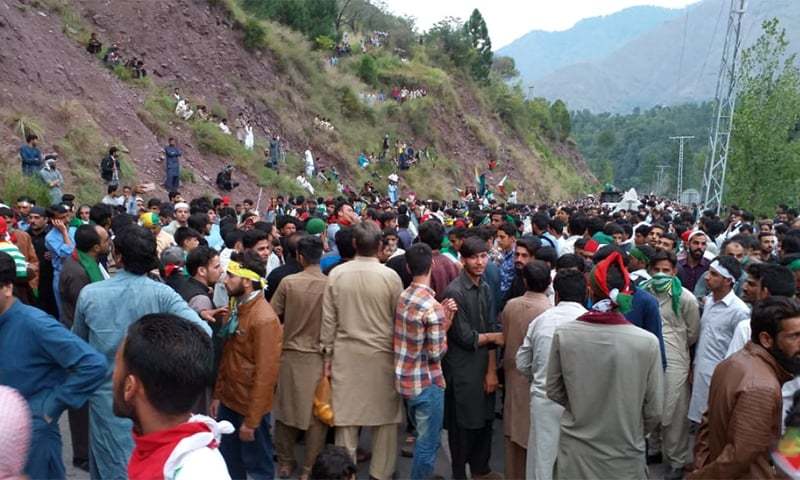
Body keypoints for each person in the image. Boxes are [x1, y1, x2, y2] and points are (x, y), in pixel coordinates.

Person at [72, 225, 211, 480]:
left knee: (111, 465)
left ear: (118, 256)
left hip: (107, 400)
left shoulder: (90, 295)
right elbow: (203, 332)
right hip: (151, 401)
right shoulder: (162, 294)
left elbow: (77, 348)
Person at [546, 251, 663, 479]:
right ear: (627, 294)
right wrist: (630, 429)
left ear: (590, 291)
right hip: (625, 455)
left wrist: (582, 411)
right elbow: (654, 410)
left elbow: (553, 389)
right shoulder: (646, 343)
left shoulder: (565, 334)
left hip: (576, 454)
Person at [0, 251, 107, 480]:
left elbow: (93, 364)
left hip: (34, 439)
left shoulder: (35, 324)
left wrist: (51, 405)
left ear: (7, 287)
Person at [321, 221, 404, 480]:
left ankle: (345, 474)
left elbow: (328, 320)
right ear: (380, 245)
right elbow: (398, 321)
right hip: (383, 359)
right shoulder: (391, 277)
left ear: (354, 244)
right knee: (386, 423)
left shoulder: (337, 274)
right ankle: (381, 474)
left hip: (346, 357)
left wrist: (327, 356)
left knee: (346, 422)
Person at [690, 297, 800, 479]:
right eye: (794, 336)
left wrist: (700, 466)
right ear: (766, 339)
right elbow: (738, 458)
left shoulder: (732, 363)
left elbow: (706, 424)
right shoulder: (761, 387)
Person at [113, 314, 233, 479]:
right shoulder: (160, 446)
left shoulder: (200, 470)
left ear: (130, 386)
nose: (113, 375)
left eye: (116, 364)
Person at [212, 251, 282, 480]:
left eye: (230, 275)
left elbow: (266, 374)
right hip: (230, 401)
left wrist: (252, 421)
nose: (225, 280)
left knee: (258, 467)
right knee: (230, 462)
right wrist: (218, 396)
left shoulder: (264, 318)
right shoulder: (237, 306)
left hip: (250, 407)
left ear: (247, 281)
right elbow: (228, 356)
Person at [441, 237, 505, 480]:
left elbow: (489, 326)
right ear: (463, 259)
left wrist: (491, 370)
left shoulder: (485, 287)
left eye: (483, 256)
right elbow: (466, 338)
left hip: (482, 367)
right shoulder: (454, 291)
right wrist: (494, 337)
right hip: (462, 371)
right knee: (462, 428)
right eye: (474, 257)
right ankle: (460, 474)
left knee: (485, 421)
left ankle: (481, 470)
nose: (479, 262)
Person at [515, 269, 587, 480]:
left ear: (556, 294)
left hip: (544, 399)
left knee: (543, 460)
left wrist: (537, 376)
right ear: (586, 293)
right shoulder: (591, 323)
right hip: (581, 402)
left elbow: (522, 362)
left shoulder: (541, 321)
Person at [394, 243, 458, 480]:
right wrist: (446, 323)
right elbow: (436, 353)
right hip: (427, 382)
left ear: (409, 268)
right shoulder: (433, 308)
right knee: (427, 443)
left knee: (422, 435)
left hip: (406, 380)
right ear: (432, 264)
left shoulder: (403, 296)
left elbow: (413, 331)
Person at [270, 236, 329, 480]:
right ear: (321, 256)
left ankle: (285, 462)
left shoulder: (288, 283)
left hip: (291, 355)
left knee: (284, 412)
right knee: (317, 416)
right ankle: (308, 469)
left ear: (299, 256)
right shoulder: (331, 284)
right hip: (320, 357)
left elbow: (272, 317)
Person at [641, 249, 700, 479]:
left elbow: (693, 332)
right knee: (650, 402)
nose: (660, 275)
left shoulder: (685, 298)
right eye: (656, 270)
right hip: (648, 355)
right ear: (649, 271)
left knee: (673, 410)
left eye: (666, 270)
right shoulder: (644, 294)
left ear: (674, 272)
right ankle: (654, 449)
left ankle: (676, 460)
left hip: (675, 357)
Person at [58, 224, 110, 470]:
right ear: (96, 246)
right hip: (79, 340)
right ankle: (82, 454)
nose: (108, 242)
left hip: (86, 339)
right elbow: (88, 309)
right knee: (80, 399)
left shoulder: (86, 262)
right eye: (105, 239)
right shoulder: (78, 272)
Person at [499, 259, 552, 479]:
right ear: (549, 282)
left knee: (513, 437)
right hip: (536, 381)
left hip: (513, 378)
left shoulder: (511, 305)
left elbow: (505, 337)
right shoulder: (549, 311)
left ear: (524, 280)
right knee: (535, 441)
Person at [688, 256, 750, 424]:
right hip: (700, 371)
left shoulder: (739, 311)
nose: (707, 277)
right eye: (709, 272)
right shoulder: (708, 301)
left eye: (714, 274)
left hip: (720, 378)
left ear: (728, 280)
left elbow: (740, 351)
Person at [45, 204, 74, 317]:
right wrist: (64, 233)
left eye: (67, 216)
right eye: (62, 218)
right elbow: (68, 254)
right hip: (61, 275)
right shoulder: (50, 237)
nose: (66, 220)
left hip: (76, 273)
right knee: (65, 312)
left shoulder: (73, 230)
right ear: (53, 220)